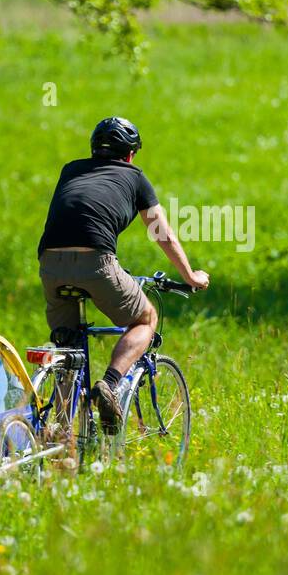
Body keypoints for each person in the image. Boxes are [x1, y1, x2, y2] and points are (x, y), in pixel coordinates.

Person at [37, 117, 210, 428]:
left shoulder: (70, 170)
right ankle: (111, 384)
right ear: (130, 154)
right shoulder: (135, 177)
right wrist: (190, 276)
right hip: (96, 262)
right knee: (145, 319)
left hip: (50, 264)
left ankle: (60, 439)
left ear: (93, 150)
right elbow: (161, 231)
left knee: (68, 348)